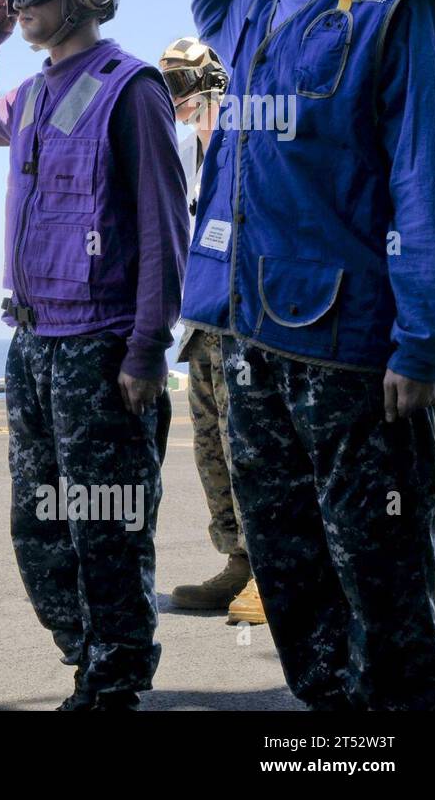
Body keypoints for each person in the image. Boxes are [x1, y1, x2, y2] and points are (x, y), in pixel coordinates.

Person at [182, 0, 435, 709]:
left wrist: (421, 343)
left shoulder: (396, 7)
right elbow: (215, 12)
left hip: (351, 358)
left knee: (382, 587)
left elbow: (421, 184)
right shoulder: (260, 8)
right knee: (293, 586)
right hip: (251, 343)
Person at [0, 0, 188, 710]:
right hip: (33, 347)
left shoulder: (131, 89)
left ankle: (113, 683)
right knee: (41, 533)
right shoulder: (31, 97)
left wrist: (147, 350)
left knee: (108, 535)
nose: (19, 1)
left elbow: (163, 229)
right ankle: (91, 662)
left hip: (101, 349)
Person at [159, 40, 264, 625]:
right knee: (210, 447)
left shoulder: (248, 140)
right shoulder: (185, 152)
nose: (175, 98)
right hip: (200, 320)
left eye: (182, 83)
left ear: (213, 82)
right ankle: (238, 560)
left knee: (249, 445)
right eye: (167, 85)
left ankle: (272, 569)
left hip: (245, 320)